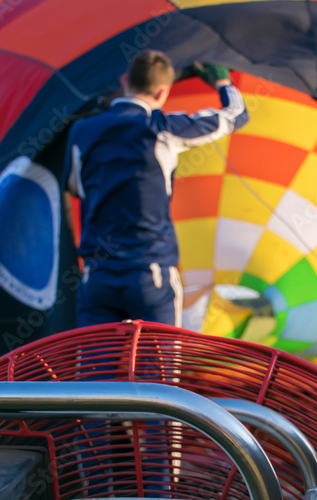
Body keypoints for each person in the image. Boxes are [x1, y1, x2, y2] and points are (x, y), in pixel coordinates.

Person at [66, 50, 249, 328]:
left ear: (125, 79)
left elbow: (75, 186)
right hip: (150, 273)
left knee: (94, 370)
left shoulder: (82, 130)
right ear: (163, 92)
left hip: (98, 275)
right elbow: (237, 116)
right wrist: (222, 83)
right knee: (157, 371)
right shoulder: (162, 128)